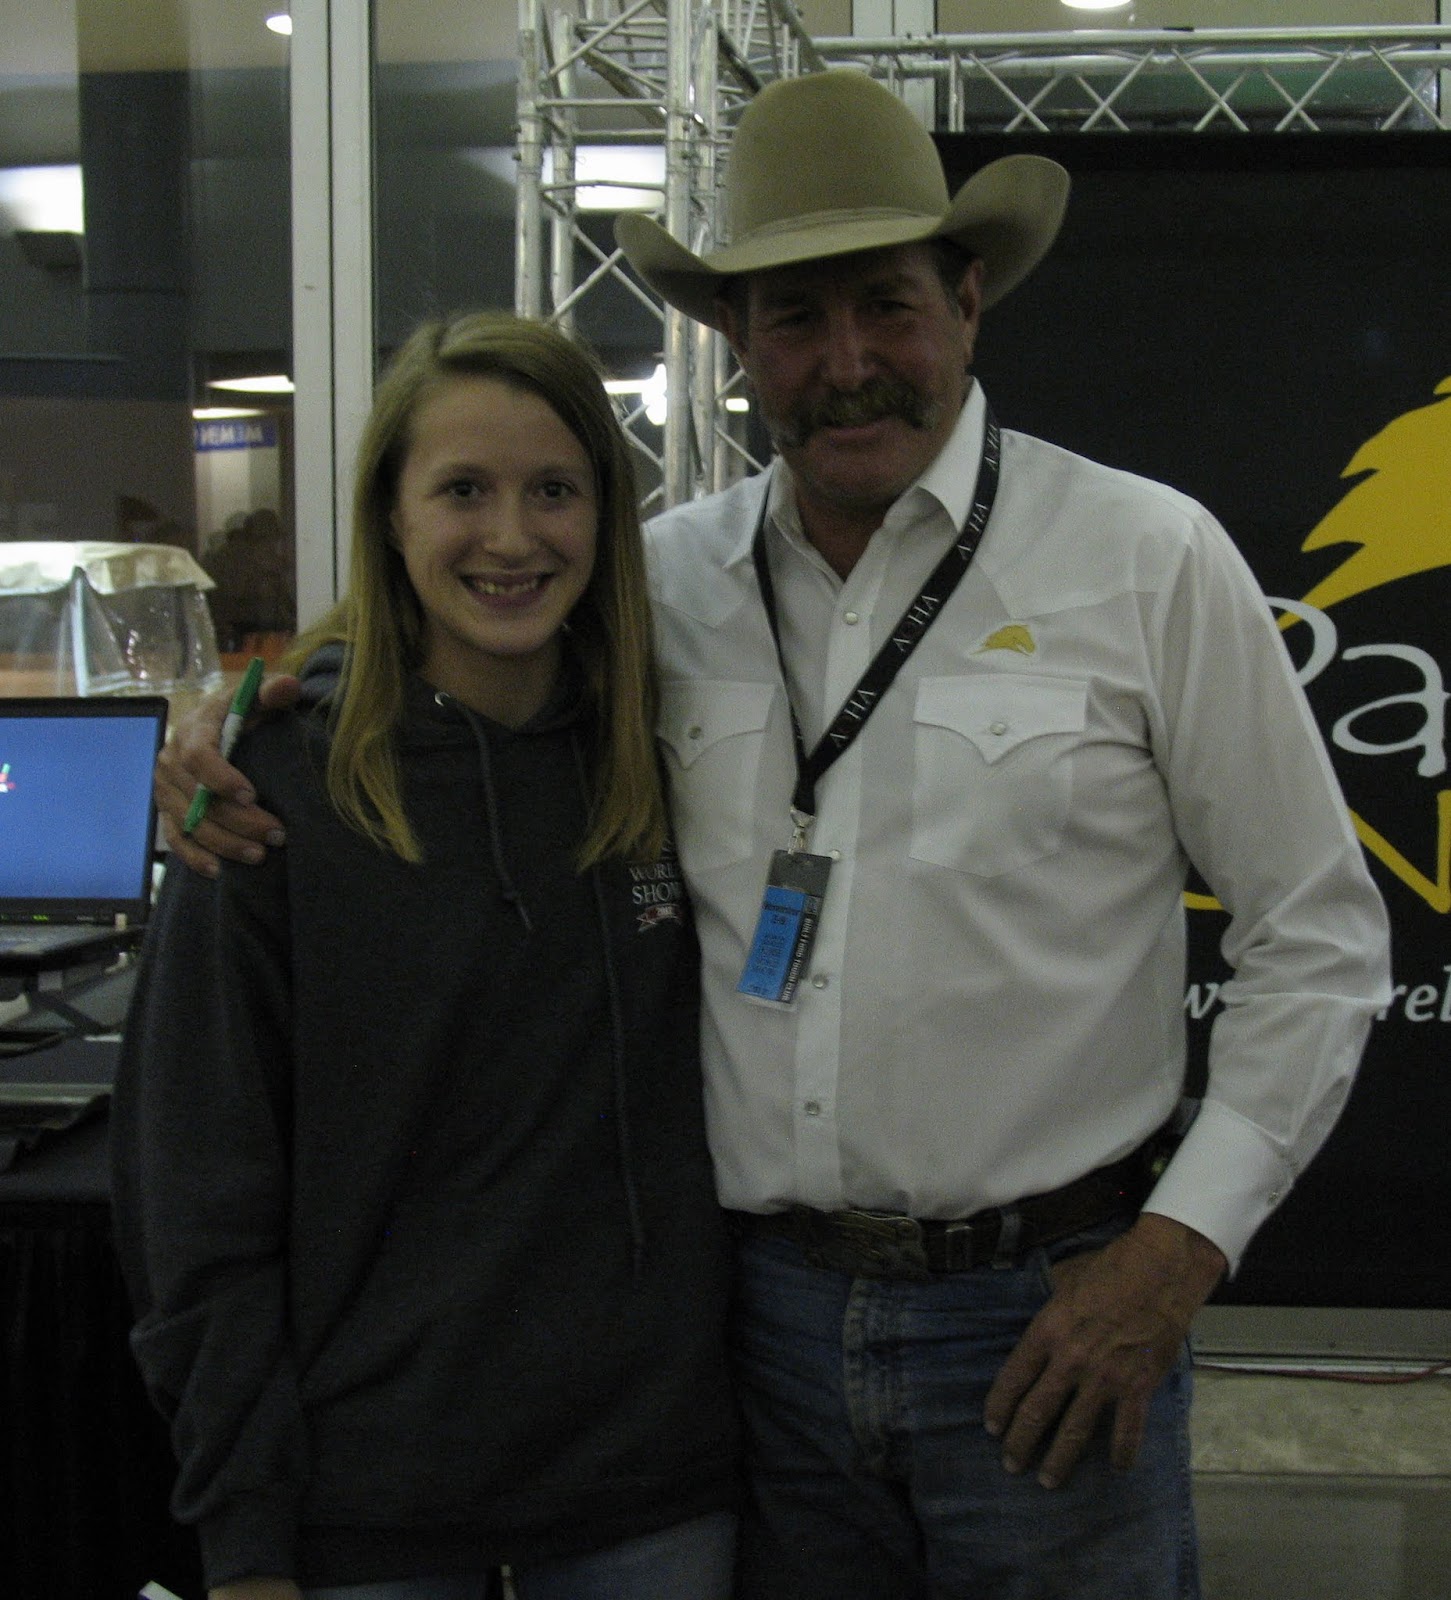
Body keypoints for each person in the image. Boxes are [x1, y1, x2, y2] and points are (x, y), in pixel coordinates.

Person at [155, 72, 1392, 1600]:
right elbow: (456, 639)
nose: (848, 363)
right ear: (737, 345)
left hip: (1052, 1322)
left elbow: (1317, 941)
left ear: (968, 298)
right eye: (795, 320)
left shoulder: (1144, 560)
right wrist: (252, 703)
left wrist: (1174, 1255)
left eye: (886, 307)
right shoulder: (657, 586)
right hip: (750, 1345)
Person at [111, 313, 739, 1600]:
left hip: (650, 1496)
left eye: (553, 490)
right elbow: (195, 1200)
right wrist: (242, 1547)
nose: (512, 538)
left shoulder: (673, 756)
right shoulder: (268, 791)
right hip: (371, 1514)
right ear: (390, 519)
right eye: (462, 490)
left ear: (606, 519)